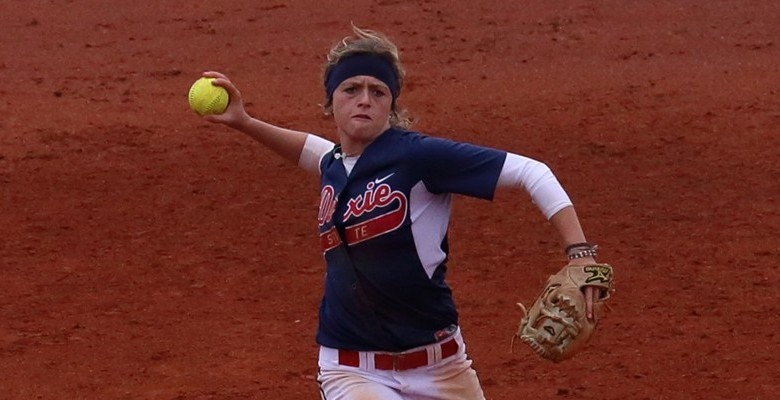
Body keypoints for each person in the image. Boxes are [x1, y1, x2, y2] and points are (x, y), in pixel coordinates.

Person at [196, 25, 604, 400]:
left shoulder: (418, 157)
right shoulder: (335, 163)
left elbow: (534, 172)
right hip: (351, 369)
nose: (364, 100)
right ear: (330, 103)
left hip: (442, 366)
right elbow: (313, 151)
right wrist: (244, 122)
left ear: (391, 105)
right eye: (351, 89)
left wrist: (580, 253)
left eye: (378, 92)